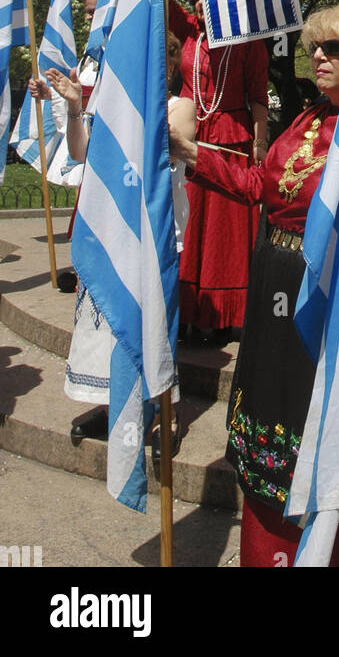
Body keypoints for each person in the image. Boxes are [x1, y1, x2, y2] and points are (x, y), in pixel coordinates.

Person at [170, 0, 339, 567]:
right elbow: (260, 185)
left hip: (336, 309)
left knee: (326, 439)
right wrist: (190, 153)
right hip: (275, 304)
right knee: (275, 435)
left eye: (334, 47)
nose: (317, 55)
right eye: (314, 45)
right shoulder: (305, 119)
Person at [33, 34, 194, 440]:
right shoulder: (112, 108)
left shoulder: (179, 107)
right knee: (113, 325)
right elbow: (80, 151)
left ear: (169, 67)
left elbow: (170, 150)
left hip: (157, 234)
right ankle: (112, 404)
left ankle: (166, 415)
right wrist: (76, 106)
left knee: (156, 325)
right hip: (114, 232)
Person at [167, 0, 269, 343]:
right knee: (187, 227)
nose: (200, 4)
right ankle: (188, 312)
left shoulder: (250, 42)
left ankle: (222, 319)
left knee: (224, 235)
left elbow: (259, 98)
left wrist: (259, 149)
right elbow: (159, 0)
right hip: (189, 136)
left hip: (231, 139)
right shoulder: (188, 33)